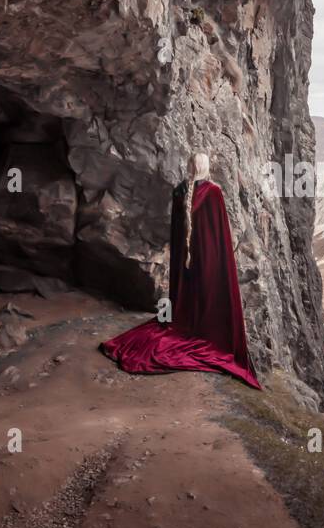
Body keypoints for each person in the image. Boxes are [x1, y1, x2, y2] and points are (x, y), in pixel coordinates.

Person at [101, 152, 261, 389]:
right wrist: (221, 263)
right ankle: (205, 328)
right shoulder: (214, 192)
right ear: (206, 167)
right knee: (207, 298)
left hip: (185, 263)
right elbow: (219, 235)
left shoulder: (179, 190)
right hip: (207, 260)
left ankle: (188, 322)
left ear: (189, 166)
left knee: (187, 304)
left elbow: (178, 234)